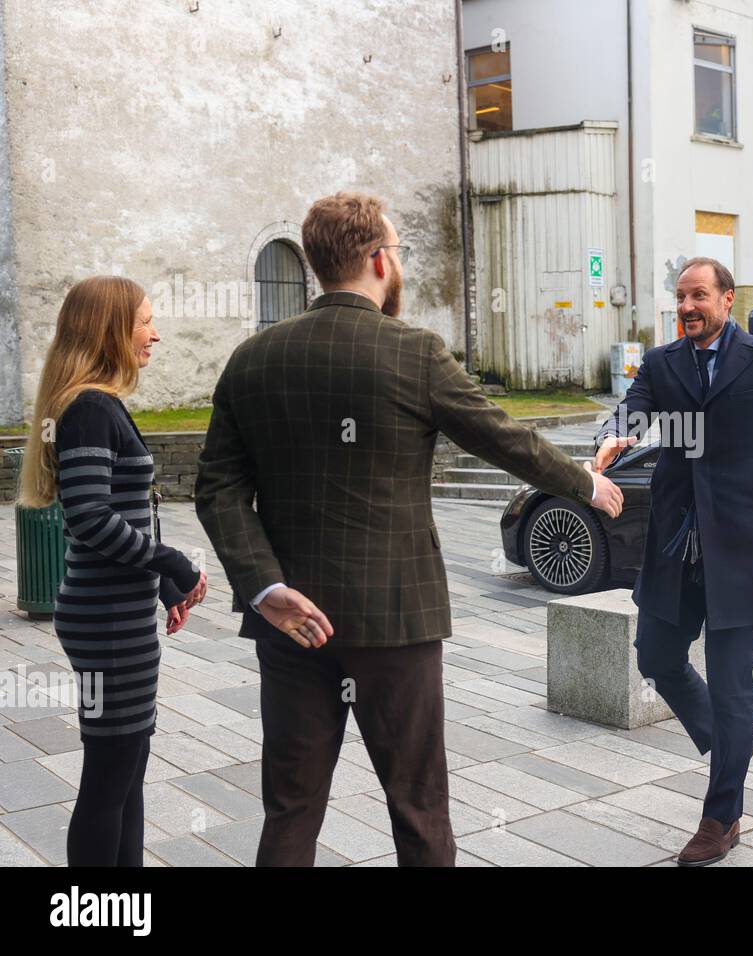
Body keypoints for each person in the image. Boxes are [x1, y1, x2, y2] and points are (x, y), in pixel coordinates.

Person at [195, 192, 624, 866]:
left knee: (291, 809)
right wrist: (585, 484)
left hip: (290, 622)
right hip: (395, 620)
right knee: (419, 809)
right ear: (377, 260)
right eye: (395, 251)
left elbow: (216, 488)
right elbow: (501, 437)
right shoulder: (414, 353)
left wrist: (262, 585)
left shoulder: (253, 359)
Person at [593, 257, 753, 865]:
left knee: (731, 683)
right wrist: (613, 434)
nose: (687, 306)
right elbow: (632, 409)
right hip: (673, 547)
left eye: (699, 295)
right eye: (679, 297)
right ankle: (734, 746)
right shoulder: (663, 363)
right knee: (656, 658)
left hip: (741, 551)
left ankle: (721, 815)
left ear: (727, 300)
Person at [18, 276, 208, 866]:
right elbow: (92, 517)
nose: (155, 334)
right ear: (110, 330)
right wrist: (172, 560)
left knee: (126, 775)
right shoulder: (90, 408)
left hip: (114, 615)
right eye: (144, 322)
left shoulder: (95, 403)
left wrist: (164, 583)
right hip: (107, 627)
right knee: (109, 779)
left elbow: (119, 513)